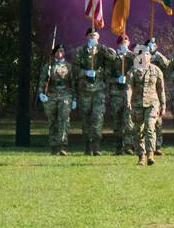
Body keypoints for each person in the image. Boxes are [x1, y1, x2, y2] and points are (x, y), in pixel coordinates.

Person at [73, 27, 109, 155]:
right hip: (85, 90)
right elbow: (75, 69)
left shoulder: (102, 50)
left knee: (98, 117)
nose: (93, 38)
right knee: (86, 118)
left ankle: (96, 145)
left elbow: (113, 58)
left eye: (95, 36)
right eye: (90, 36)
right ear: (87, 37)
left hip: (99, 89)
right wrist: (85, 72)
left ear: (98, 38)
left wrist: (98, 72)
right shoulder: (80, 51)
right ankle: (87, 145)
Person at [129, 45, 166, 165]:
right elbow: (129, 87)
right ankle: (141, 156)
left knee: (150, 128)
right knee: (138, 130)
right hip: (137, 104)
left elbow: (161, 89)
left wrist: (163, 105)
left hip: (152, 103)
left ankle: (150, 155)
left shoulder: (156, 70)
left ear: (150, 56)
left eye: (147, 54)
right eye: (142, 54)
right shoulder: (133, 70)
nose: (145, 56)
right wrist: (128, 101)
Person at [39, 42, 74, 156]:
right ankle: (54, 146)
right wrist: (41, 93)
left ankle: (62, 146)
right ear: (54, 53)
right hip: (51, 95)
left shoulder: (69, 66)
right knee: (52, 121)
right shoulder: (48, 66)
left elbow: (73, 83)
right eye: (58, 51)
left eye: (62, 51)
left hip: (65, 95)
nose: (60, 53)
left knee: (64, 120)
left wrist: (74, 98)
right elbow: (42, 81)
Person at [105, 33, 135, 155]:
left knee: (129, 120)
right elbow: (106, 76)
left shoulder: (133, 57)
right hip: (116, 93)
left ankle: (128, 146)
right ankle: (118, 146)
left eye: (126, 42)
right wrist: (116, 80)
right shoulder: (113, 58)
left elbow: (139, 68)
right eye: (122, 42)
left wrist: (128, 54)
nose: (124, 44)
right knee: (117, 121)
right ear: (118, 44)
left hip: (129, 92)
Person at [145, 37, 169, 155]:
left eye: (154, 45)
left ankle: (157, 146)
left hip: (156, 94)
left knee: (158, 122)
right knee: (143, 122)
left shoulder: (159, 59)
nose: (152, 46)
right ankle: (144, 146)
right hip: (143, 94)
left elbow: (168, 66)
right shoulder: (142, 57)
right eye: (150, 45)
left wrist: (157, 54)